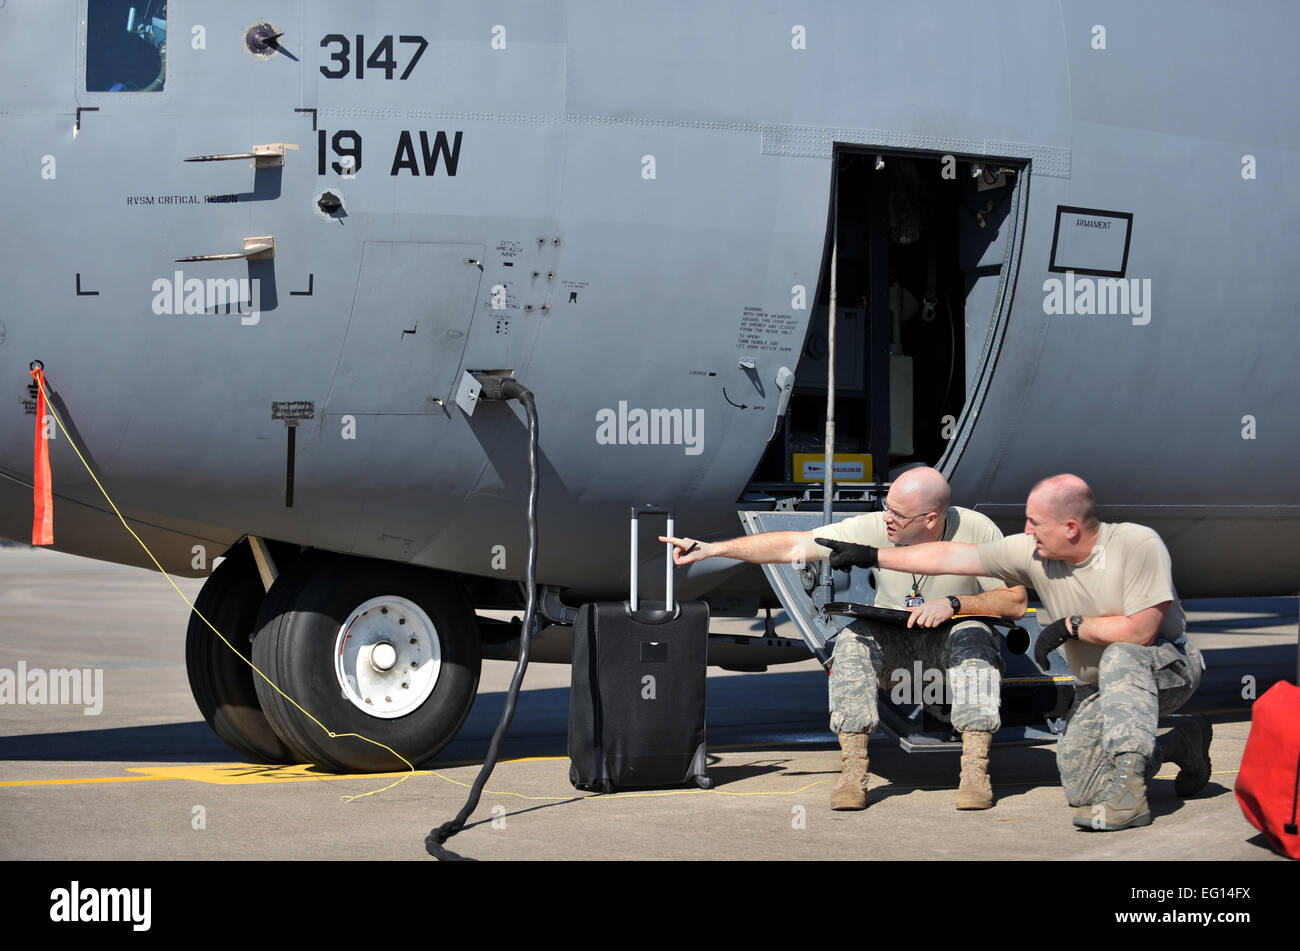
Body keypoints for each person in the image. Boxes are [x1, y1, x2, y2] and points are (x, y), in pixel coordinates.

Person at [820, 473, 1212, 830]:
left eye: (1035, 523)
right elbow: (951, 556)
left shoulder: (1136, 545)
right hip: (1100, 685)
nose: (1026, 530)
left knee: (1118, 654)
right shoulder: (1031, 552)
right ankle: (1179, 744)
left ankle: (1125, 797)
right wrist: (872, 556)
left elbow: (1140, 632)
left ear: (1071, 527)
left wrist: (1070, 626)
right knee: (1082, 790)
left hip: (1162, 665)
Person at [662, 467, 1027, 811]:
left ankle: (975, 772)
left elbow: (1014, 601)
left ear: (931, 519)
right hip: (895, 639)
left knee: (974, 638)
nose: (887, 518)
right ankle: (853, 773)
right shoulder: (877, 528)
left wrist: (955, 604)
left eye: (898, 514)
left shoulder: (978, 531)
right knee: (852, 640)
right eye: (887, 507)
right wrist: (713, 549)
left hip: (949, 639)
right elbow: (794, 544)